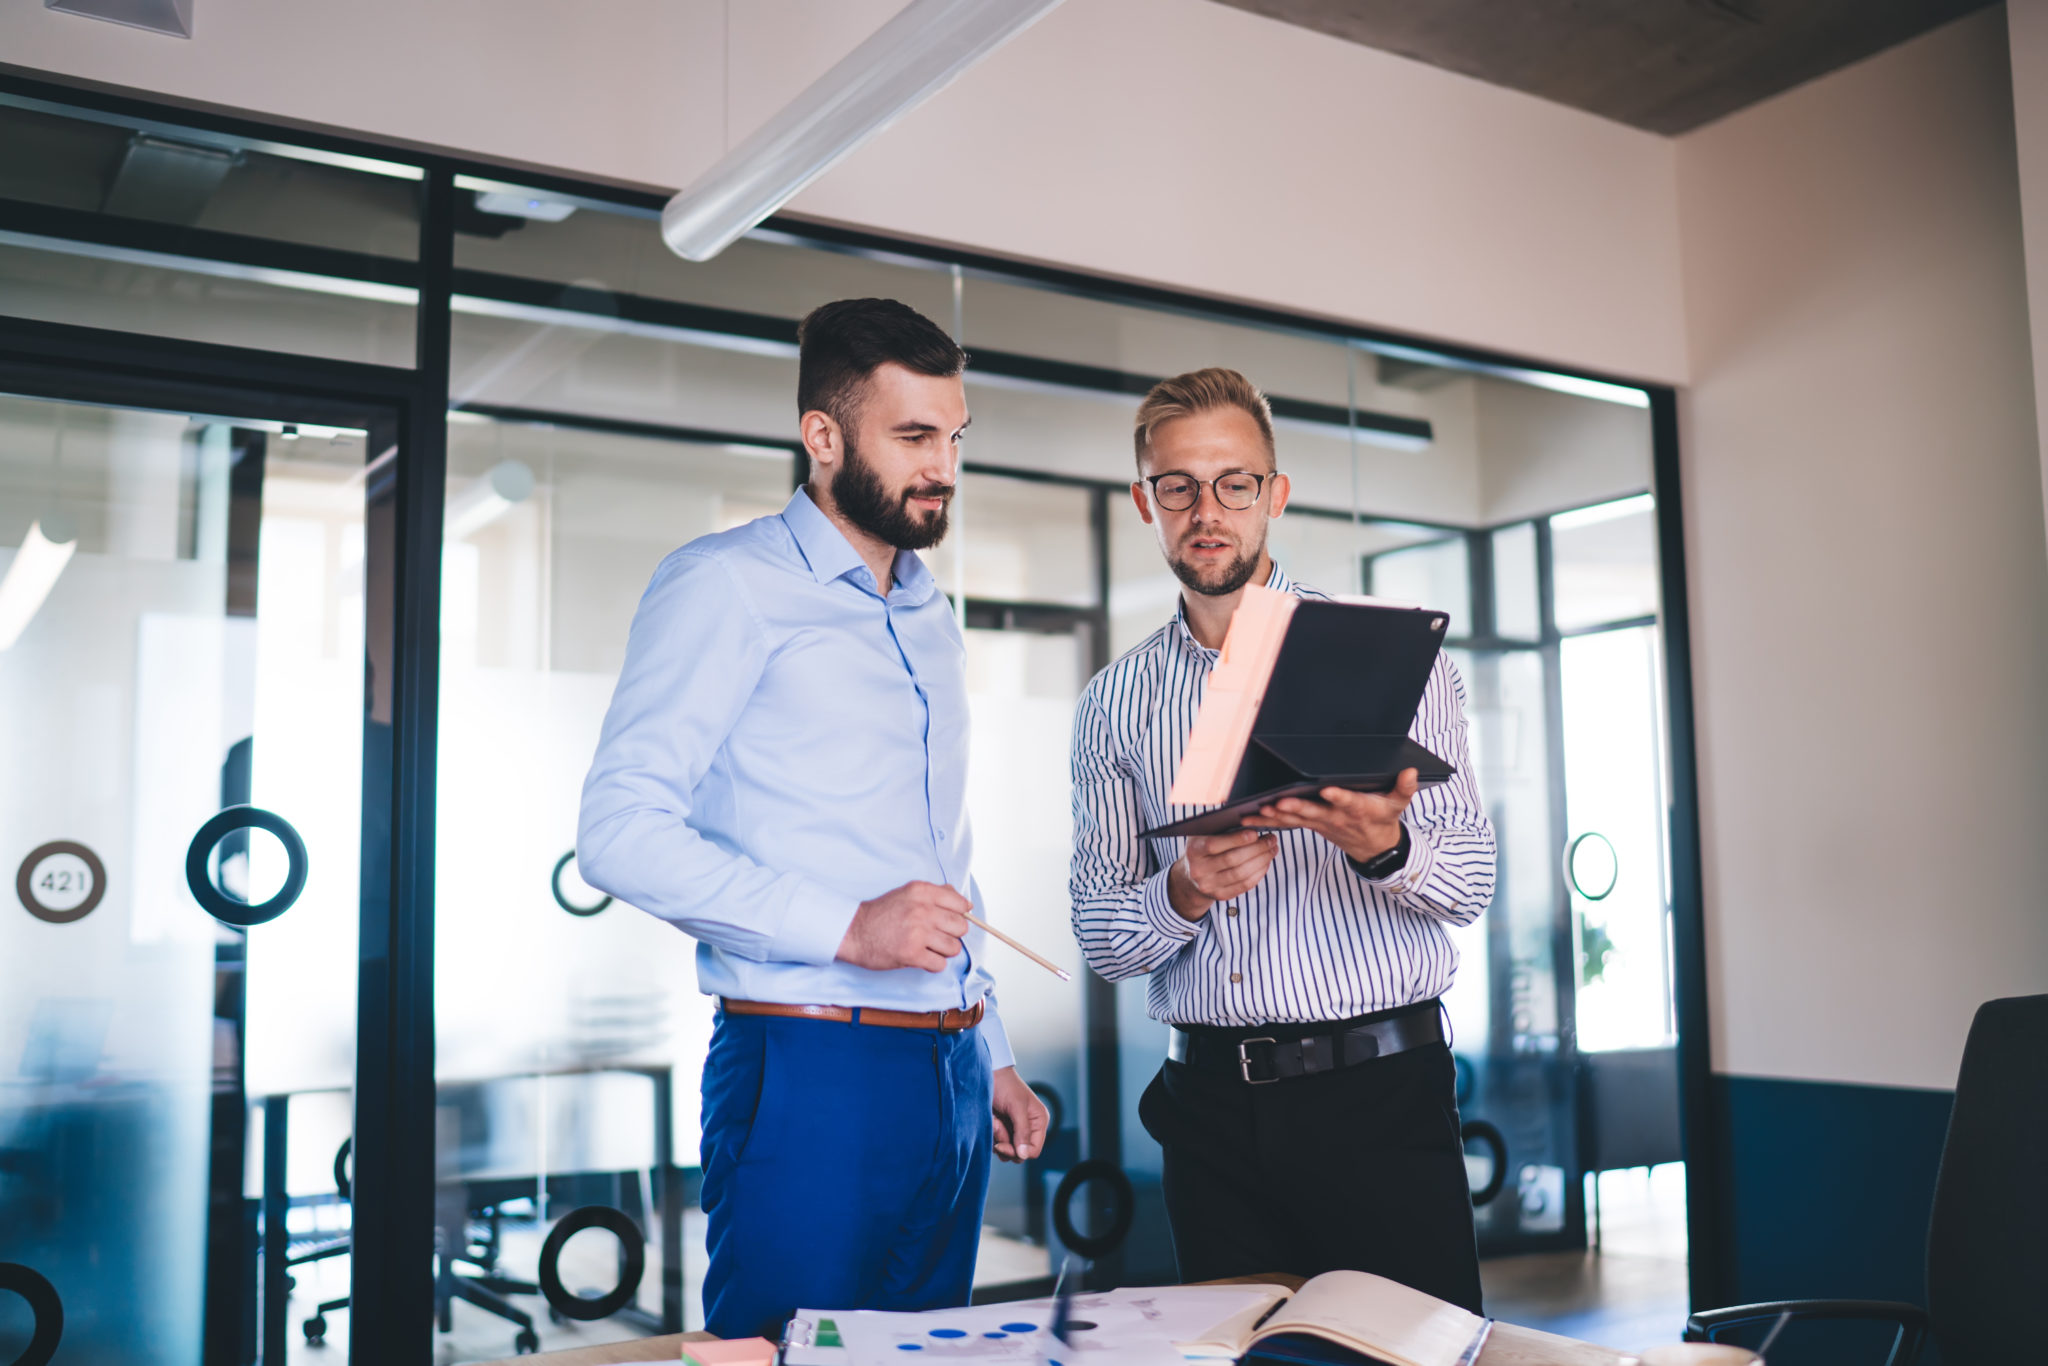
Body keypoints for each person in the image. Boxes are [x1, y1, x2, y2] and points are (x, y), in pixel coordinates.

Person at [579, 297, 1049, 1339]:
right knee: (781, 1355)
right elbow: (617, 828)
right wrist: (845, 926)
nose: (943, 466)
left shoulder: (929, 614)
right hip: (808, 1068)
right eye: (914, 436)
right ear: (823, 437)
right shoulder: (725, 585)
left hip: (953, 1071)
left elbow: (937, 856)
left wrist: (995, 1043)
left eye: (954, 437)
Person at [1068, 367, 1496, 1310]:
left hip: (1382, 1097)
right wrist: (1181, 890)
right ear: (1146, 501)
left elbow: (1469, 882)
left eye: (1234, 483)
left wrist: (1383, 844)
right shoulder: (1114, 703)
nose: (1205, 510)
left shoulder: (1397, 660)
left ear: (1275, 494)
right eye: (1177, 486)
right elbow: (1102, 938)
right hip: (1210, 1113)